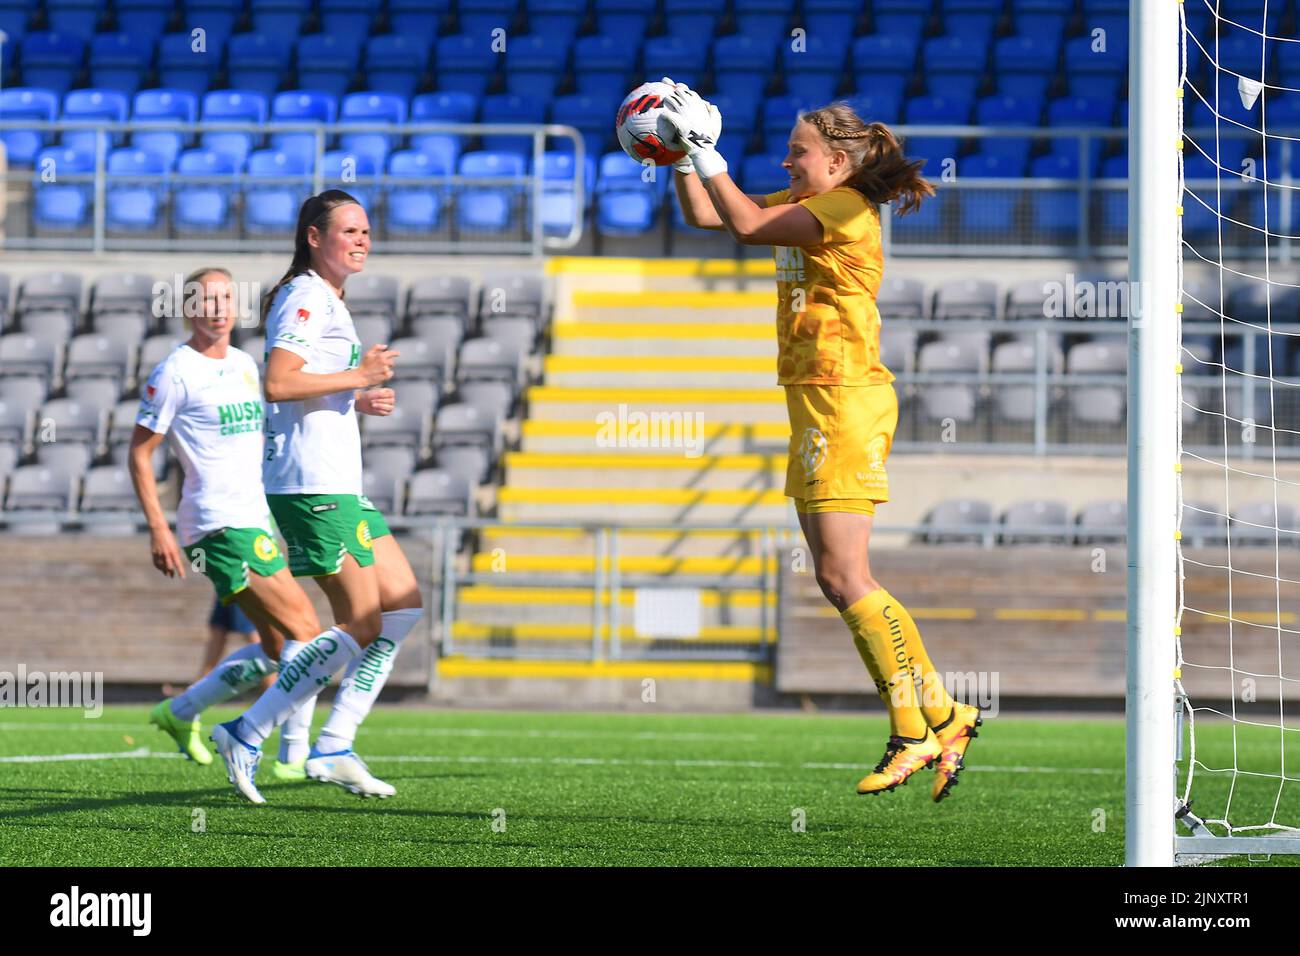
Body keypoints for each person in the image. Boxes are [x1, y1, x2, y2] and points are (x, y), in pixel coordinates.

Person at [665, 84, 982, 801]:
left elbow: (746, 225)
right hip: (817, 403)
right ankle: (945, 714)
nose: (787, 161)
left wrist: (708, 150)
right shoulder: (810, 202)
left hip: (845, 401)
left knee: (848, 577)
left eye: (797, 152)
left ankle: (913, 730)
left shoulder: (843, 208)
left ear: (837, 163)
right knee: (836, 580)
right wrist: (682, 157)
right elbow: (709, 214)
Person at [210, 190, 425, 803]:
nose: (362, 240)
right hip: (311, 484)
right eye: (349, 231)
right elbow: (278, 382)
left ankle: (333, 745)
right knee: (361, 622)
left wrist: (355, 399)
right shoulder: (306, 295)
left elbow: (305, 386)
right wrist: (361, 376)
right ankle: (247, 730)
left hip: (336, 483)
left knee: (402, 607)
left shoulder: (328, 297)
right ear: (314, 236)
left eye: (366, 231)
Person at [130, 267, 330, 784]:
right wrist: (158, 528)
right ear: (188, 310)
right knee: (307, 630)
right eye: (206, 300)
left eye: (225, 298)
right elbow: (140, 452)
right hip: (218, 523)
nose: (218, 308)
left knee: (277, 647)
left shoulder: (244, 364)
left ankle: (181, 711)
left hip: (252, 518)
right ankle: (294, 754)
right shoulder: (175, 372)